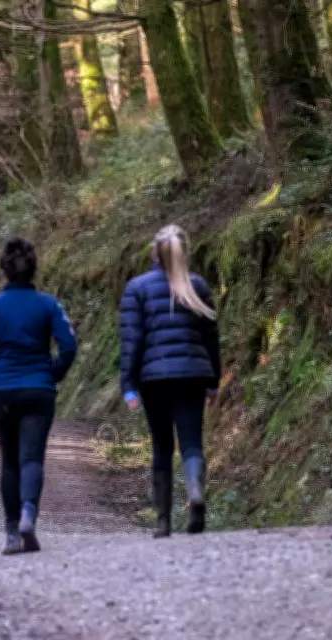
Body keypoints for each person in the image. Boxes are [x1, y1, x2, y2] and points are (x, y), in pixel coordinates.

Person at [0, 237, 77, 554]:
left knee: (9, 462)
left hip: (3, 392)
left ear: (4, 270)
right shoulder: (49, 305)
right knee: (32, 458)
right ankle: (29, 514)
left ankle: (12, 532)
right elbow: (69, 346)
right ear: (34, 269)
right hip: (39, 390)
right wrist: (53, 374)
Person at [119, 224, 221, 538]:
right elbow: (211, 339)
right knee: (191, 444)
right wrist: (213, 381)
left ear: (154, 253)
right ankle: (195, 494)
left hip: (154, 379)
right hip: (192, 375)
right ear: (184, 252)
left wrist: (128, 385)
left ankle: (163, 522)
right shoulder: (197, 286)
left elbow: (132, 341)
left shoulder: (137, 288)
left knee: (162, 446)